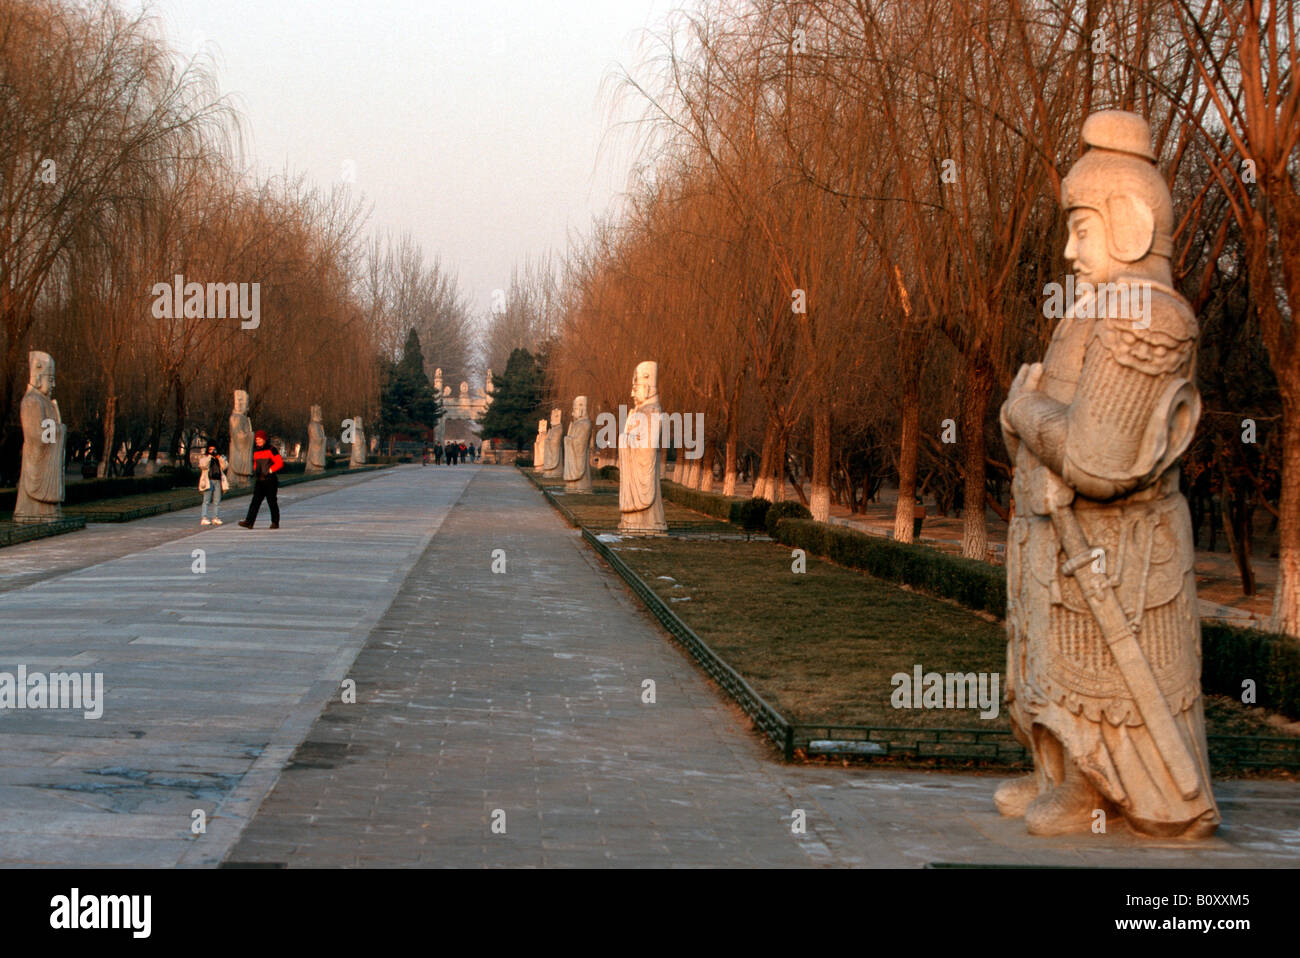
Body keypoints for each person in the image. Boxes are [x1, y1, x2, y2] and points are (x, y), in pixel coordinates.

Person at [237, 430, 283, 529]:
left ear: (264, 439)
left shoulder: (272, 449)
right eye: (256, 440)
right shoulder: (256, 451)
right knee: (255, 501)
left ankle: (275, 522)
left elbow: (279, 462)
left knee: (272, 501)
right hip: (260, 480)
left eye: (259, 439)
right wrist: (255, 471)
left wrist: (270, 470)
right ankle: (249, 522)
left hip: (270, 480)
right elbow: (255, 464)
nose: (257, 441)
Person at [198, 444, 229, 525]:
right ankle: (204, 518)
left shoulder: (220, 457)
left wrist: (219, 458)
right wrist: (209, 457)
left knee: (217, 501)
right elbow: (203, 465)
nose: (212, 451)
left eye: (214, 449)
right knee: (206, 500)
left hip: (218, 480)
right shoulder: (205, 457)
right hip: (208, 481)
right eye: (210, 449)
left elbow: (225, 466)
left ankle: (215, 517)